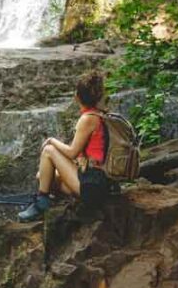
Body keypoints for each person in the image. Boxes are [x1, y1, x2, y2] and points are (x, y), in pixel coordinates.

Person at [17, 70, 112, 222]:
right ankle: (49, 200)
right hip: (97, 181)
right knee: (43, 177)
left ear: (77, 97)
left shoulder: (88, 119)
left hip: (93, 184)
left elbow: (72, 152)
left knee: (49, 151)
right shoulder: (99, 115)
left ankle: (41, 204)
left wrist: (52, 140)